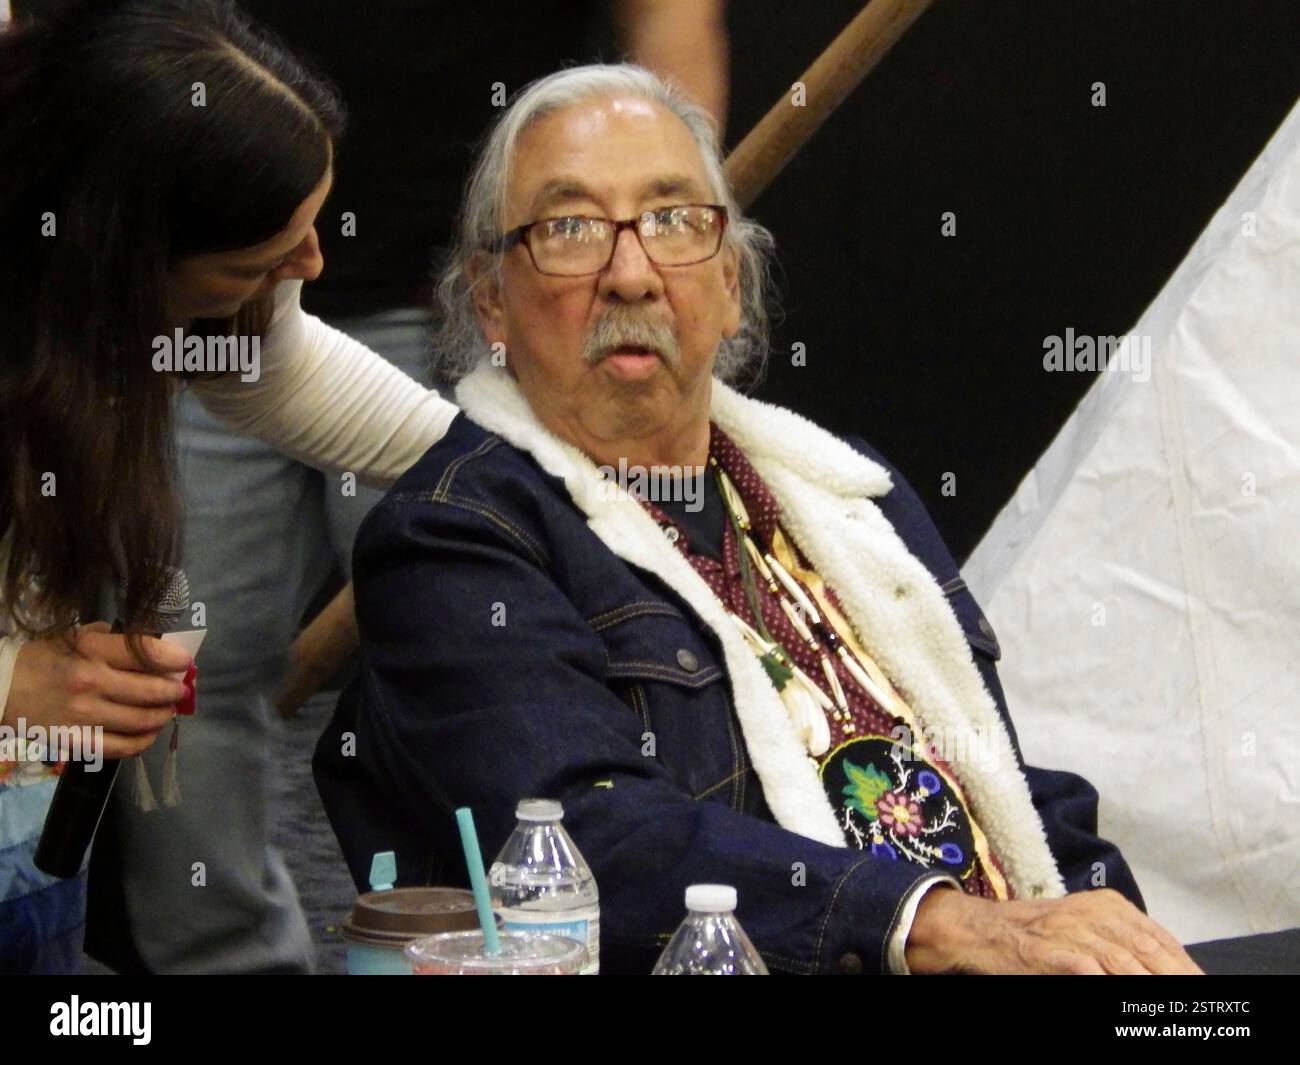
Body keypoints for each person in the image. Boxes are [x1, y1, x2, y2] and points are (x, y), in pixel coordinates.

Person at [316, 63, 1202, 974]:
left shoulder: (850, 492)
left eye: (672, 220)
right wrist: (930, 922)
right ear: (492, 299)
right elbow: (596, 841)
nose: (632, 274)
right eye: (571, 229)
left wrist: (1110, 930)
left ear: (731, 281)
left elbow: (994, 779)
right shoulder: (454, 537)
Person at [0, 0, 456, 973]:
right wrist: (13, 685)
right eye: (258, 263)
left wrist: (525, 472)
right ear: (121, 263)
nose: (312, 265)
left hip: (29, 849)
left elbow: (309, 382)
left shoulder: (169, 294)